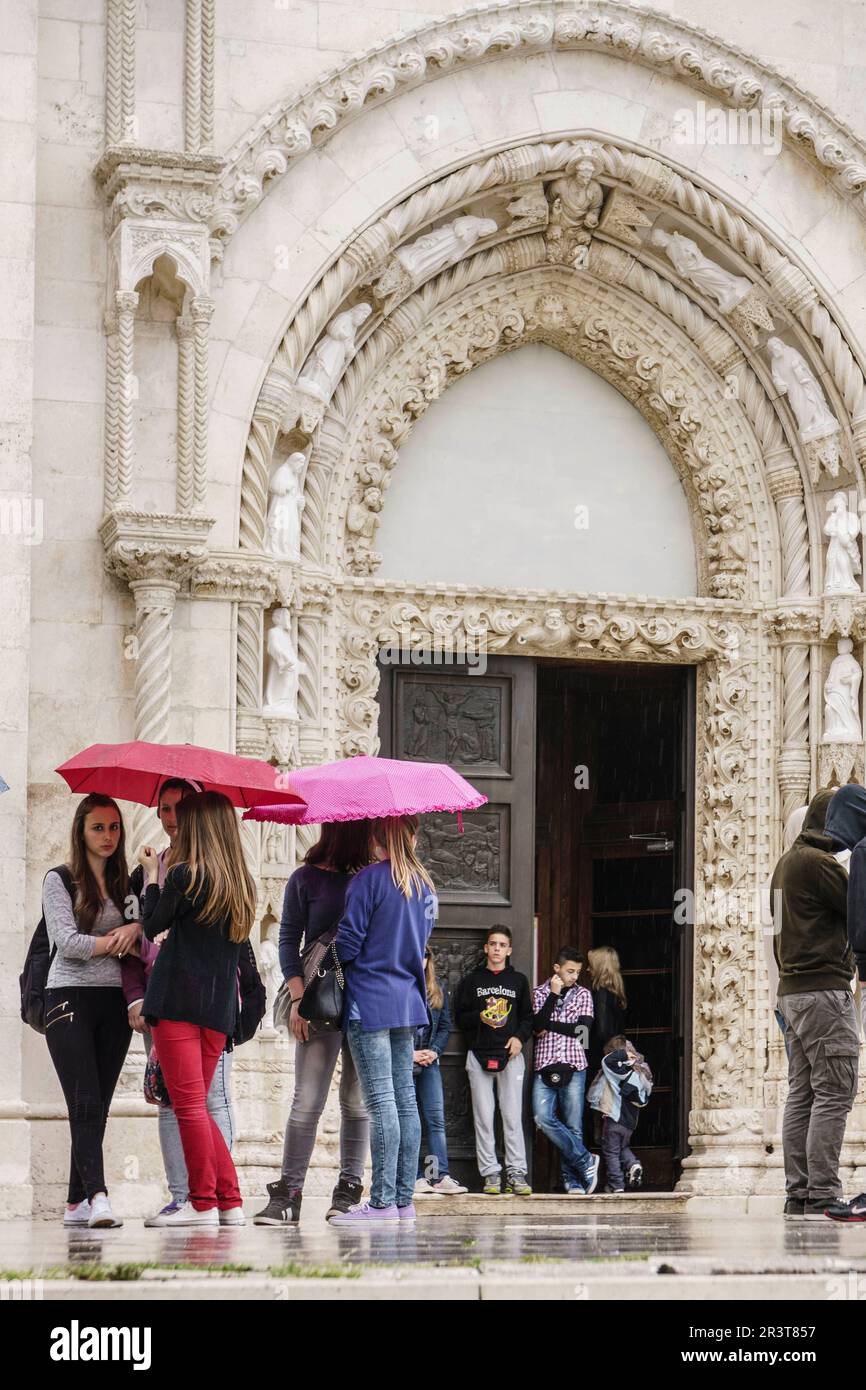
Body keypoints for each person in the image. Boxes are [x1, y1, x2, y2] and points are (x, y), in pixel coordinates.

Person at [123, 778, 239, 1227]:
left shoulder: (186, 875)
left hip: (177, 1006)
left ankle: (201, 1203)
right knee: (199, 1107)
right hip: (216, 1011)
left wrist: (152, 876)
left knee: (187, 1106)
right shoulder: (238, 883)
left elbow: (150, 924)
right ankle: (229, 1201)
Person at [254, 821, 372, 1225]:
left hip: (365, 1001)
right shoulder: (305, 878)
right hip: (320, 999)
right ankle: (289, 1193)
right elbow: (288, 939)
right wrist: (299, 997)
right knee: (308, 1100)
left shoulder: (375, 878)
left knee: (356, 1102)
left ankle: (348, 1190)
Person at [328, 815, 436, 1226]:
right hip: (408, 1001)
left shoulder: (368, 881)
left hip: (369, 1002)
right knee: (405, 1100)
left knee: (381, 1101)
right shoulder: (426, 887)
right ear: (413, 836)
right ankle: (404, 1200)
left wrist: (335, 950)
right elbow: (421, 945)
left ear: (376, 838)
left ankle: (381, 1202)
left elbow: (350, 943)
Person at [43, 795, 141, 1228]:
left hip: (114, 1000)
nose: (107, 836)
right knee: (82, 1100)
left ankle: (74, 1203)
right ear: (81, 831)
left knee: (97, 1104)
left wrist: (134, 929)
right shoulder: (60, 880)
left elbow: (145, 936)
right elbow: (67, 942)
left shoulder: (128, 885)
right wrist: (113, 942)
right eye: (98, 827)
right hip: (67, 996)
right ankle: (99, 1196)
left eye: (114, 827)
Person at [772, 785, 866, 1218]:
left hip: (793, 993)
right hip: (824, 991)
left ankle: (801, 1192)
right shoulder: (817, 864)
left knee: (804, 1093)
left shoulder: (787, 864)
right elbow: (858, 908)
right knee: (834, 1092)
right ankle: (825, 1191)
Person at [454, 924, 534, 1195]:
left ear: (509, 950)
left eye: (502, 945)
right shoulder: (472, 981)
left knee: (511, 1117)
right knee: (483, 1118)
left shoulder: (519, 981)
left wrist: (519, 1038)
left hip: (510, 1056)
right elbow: (460, 1018)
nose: (497, 949)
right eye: (493, 944)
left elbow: (528, 1017)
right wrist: (479, 1016)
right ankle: (490, 1175)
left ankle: (516, 1173)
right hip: (479, 1055)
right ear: (486, 948)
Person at [531, 947, 598, 1195]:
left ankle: (574, 1180)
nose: (574, 977)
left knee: (573, 1125)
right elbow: (537, 1028)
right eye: (570, 971)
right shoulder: (538, 993)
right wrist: (553, 996)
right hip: (545, 1065)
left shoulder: (584, 995)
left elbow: (583, 1032)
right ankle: (585, 1160)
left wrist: (550, 1024)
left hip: (574, 1064)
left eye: (578, 972)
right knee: (541, 1118)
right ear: (556, 969)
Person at [413, 945, 467, 1196]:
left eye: (425, 955)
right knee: (409, 1121)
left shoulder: (438, 988)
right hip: (406, 1061)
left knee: (436, 1119)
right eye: (417, 953)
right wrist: (410, 1054)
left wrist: (433, 1051)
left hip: (430, 1062)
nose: (421, 959)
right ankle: (412, 1177)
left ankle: (439, 1176)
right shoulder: (402, 985)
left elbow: (444, 1026)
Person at [588, 1035, 653, 1192]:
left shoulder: (619, 1070)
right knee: (622, 1147)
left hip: (613, 1118)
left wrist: (623, 1054)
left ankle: (616, 1184)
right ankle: (633, 1164)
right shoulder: (640, 1072)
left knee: (611, 1152)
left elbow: (606, 1062)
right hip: (629, 1123)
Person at [585, 946, 627, 1084]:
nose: (587, 969)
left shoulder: (601, 994)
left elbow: (602, 1032)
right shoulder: (616, 994)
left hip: (599, 1058)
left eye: (590, 966)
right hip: (613, 1055)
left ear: (599, 968)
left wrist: (582, 1044)